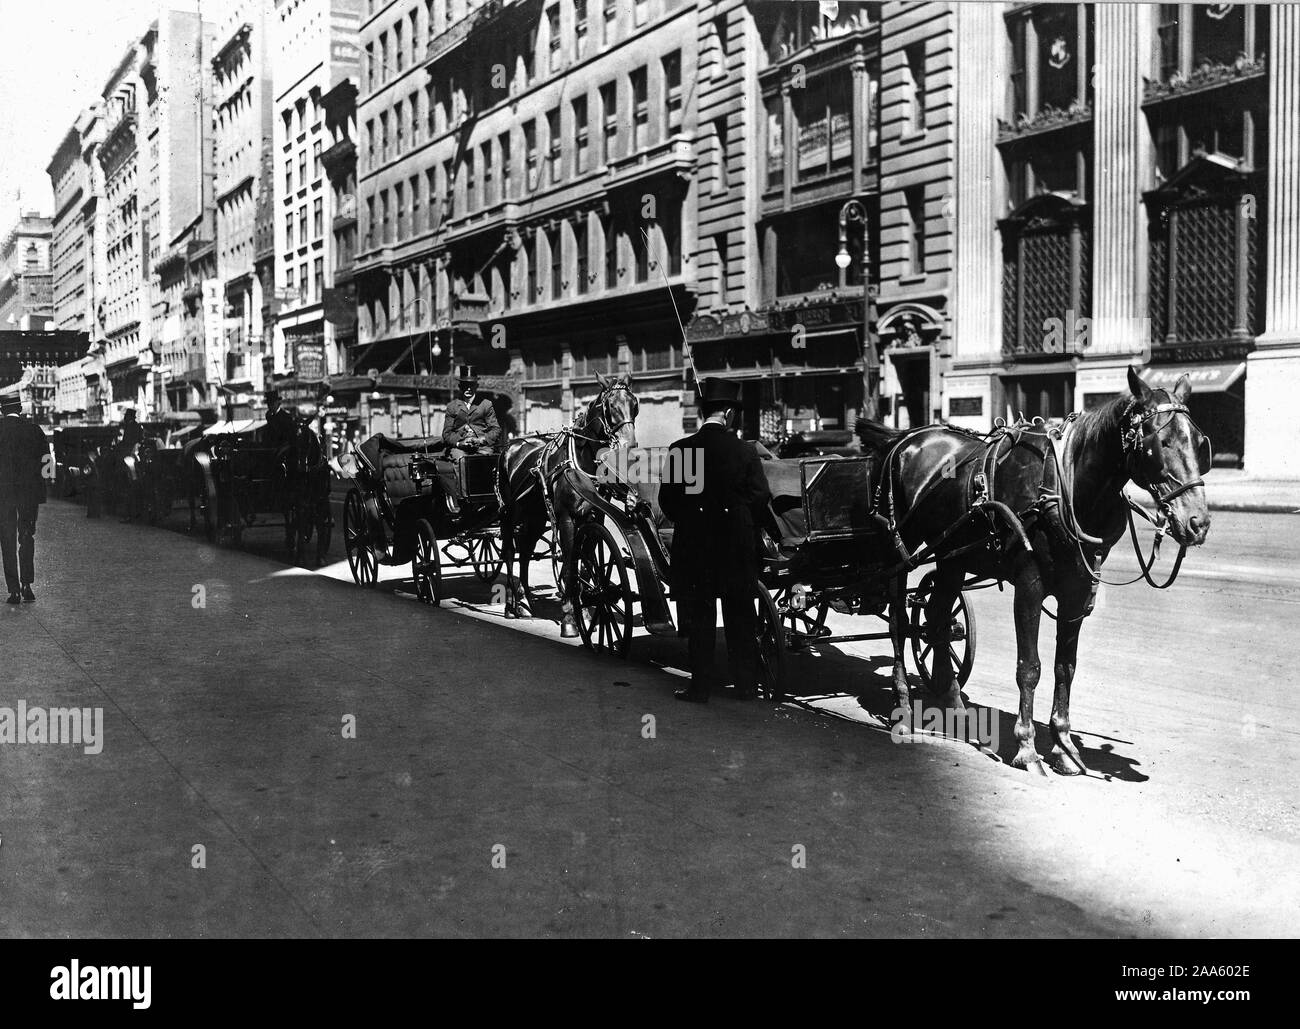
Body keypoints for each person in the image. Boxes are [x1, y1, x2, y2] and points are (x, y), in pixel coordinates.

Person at [657, 378, 772, 703]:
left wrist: (694, 522)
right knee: (739, 615)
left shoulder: (683, 450)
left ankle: (700, 687)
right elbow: (760, 497)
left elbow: (669, 500)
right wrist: (740, 522)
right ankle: (746, 686)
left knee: (701, 618)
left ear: (704, 411)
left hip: (695, 548)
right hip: (736, 548)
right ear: (729, 414)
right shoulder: (744, 451)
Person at [0, 393, 50, 604]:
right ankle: (27, 585)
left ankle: (13, 591)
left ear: (2, 410)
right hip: (29, 496)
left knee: (7, 540)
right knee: (27, 537)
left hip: (4, 496)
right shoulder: (35, 430)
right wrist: (43, 486)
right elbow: (47, 460)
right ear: (20, 409)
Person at [438, 366, 501, 512]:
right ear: (460, 386)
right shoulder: (452, 407)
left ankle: (491, 500)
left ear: (476, 386)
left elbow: (496, 429)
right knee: (461, 460)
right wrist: (460, 443)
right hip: (460, 448)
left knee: (488, 459)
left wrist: (483, 440)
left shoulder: (486, 404)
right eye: (465, 385)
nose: (468, 388)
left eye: (471, 385)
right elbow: (447, 434)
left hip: (482, 446)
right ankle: (465, 501)